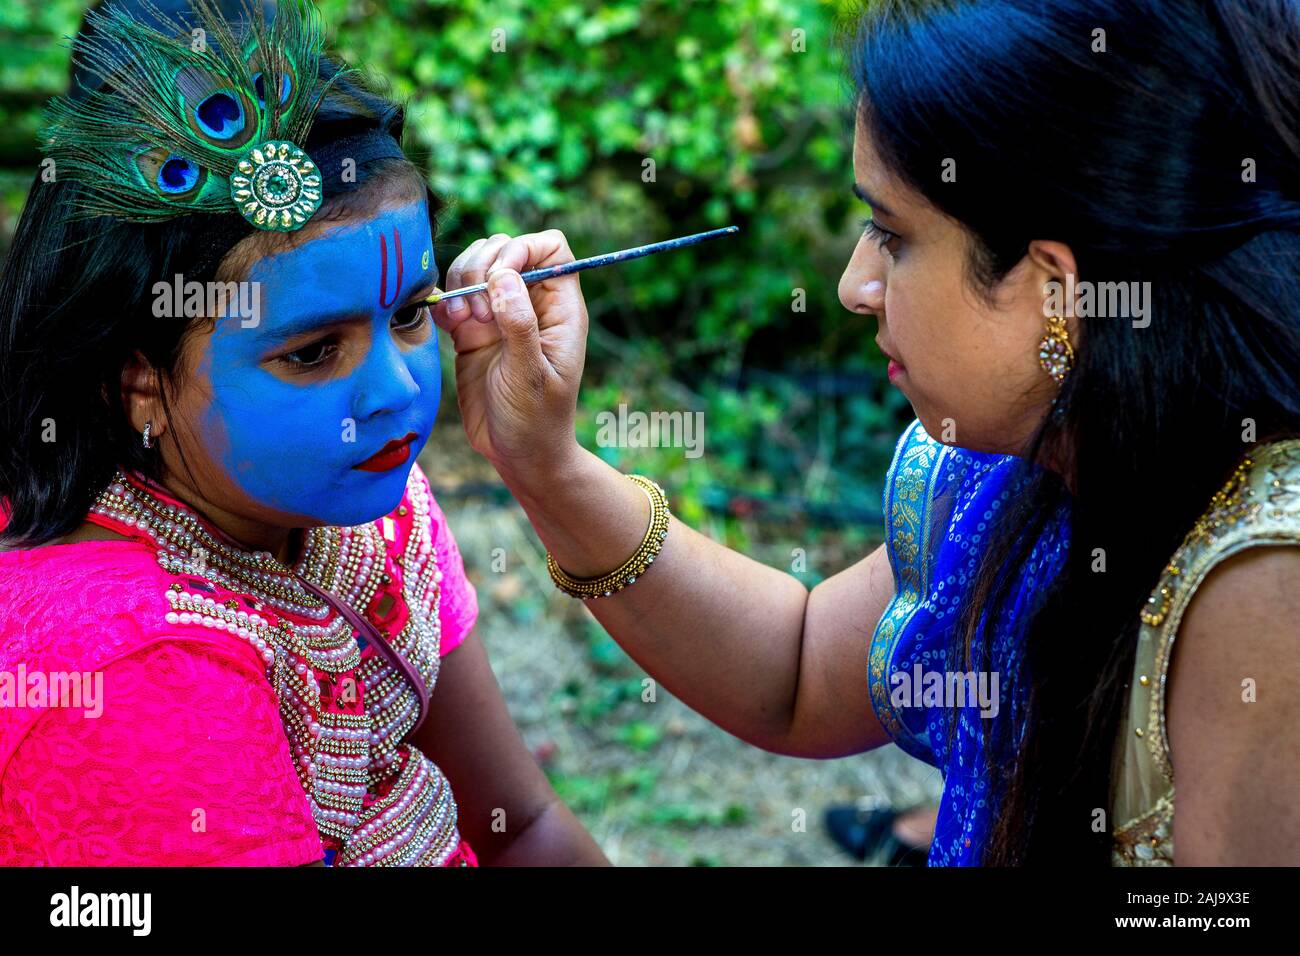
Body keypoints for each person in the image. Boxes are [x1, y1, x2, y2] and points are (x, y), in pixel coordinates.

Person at [431, 0, 1300, 865]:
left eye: (891, 234)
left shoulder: (1263, 586)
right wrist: (542, 463)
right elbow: (799, 674)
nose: (855, 285)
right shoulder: (1028, 466)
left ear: (1055, 289)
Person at [0, 0, 605, 867]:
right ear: (140, 380)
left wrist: (545, 460)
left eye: (408, 314)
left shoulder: (370, 511)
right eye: (314, 351)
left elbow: (521, 826)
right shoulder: (130, 668)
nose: (397, 391)